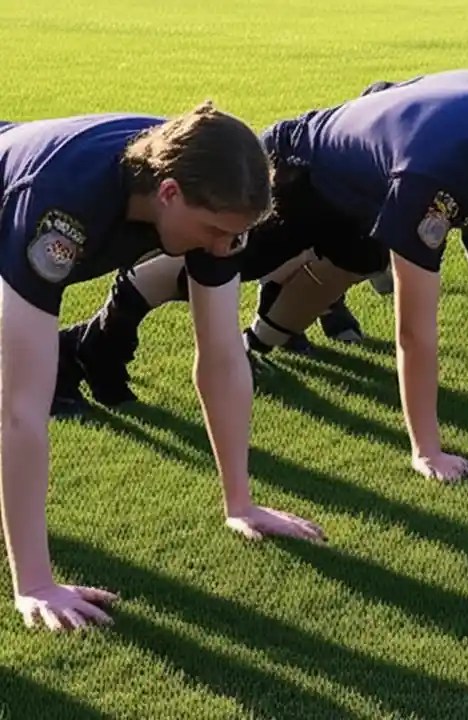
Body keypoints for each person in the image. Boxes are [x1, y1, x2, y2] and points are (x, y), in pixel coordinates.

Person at [57, 71, 468, 483]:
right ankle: (87, 345)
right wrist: (427, 450)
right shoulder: (435, 177)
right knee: (207, 266)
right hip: (304, 169)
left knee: (358, 260)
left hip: (368, 183)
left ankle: (263, 339)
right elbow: (415, 328)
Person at [0, 105, 326, 632]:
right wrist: (35, 584)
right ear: (169, 193)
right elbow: (20, 409)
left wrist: (241, 504)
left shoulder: (214, 193)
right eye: (215, 231)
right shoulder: (61, 207)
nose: (224, 247)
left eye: (234, 235)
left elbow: (222, 356)